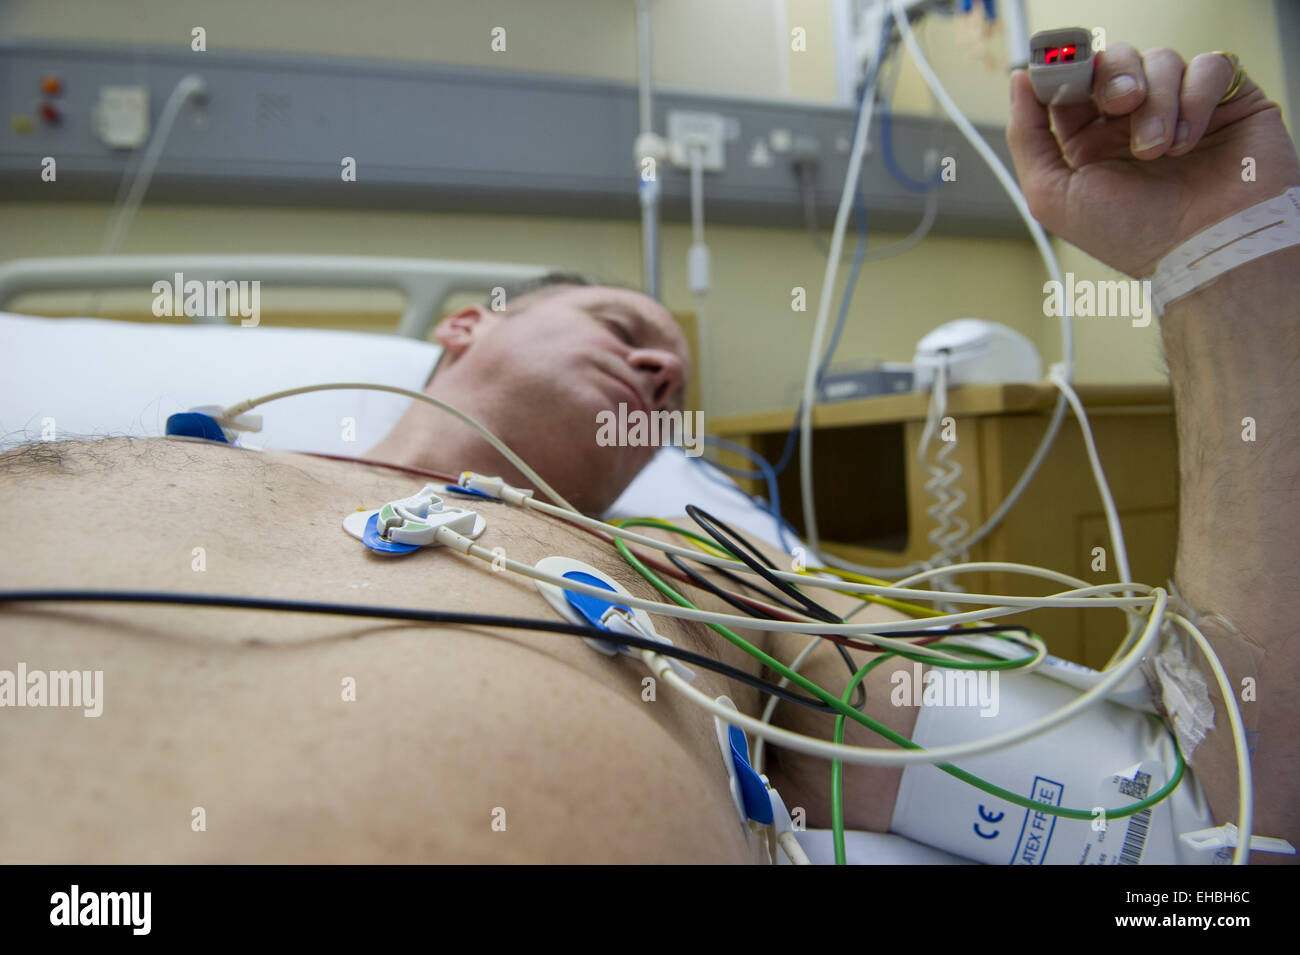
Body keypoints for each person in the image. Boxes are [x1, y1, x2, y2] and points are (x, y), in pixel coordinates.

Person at [0, 41, 1295, 862]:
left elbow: (1189, 824)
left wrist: (1222, 253)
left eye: (674, 387)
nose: (661, 375)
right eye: (627, 327)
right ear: (467, 327)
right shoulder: (126, 466)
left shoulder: (707, 588)